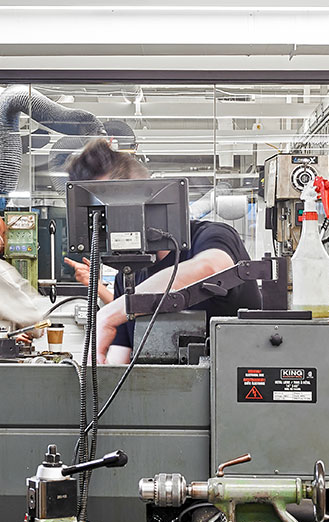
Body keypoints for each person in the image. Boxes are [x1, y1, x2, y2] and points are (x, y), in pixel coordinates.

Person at [65, 139, 253, 363]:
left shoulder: (213, 236)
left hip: (232, 390)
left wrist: (110, 313)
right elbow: (119, 358)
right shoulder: (126, 278)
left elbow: (211, 267)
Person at [0, 204, 108, 357]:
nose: (2, 243)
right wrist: (26, 329)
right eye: (1, 236)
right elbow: (33, 320)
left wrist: (10, 334)